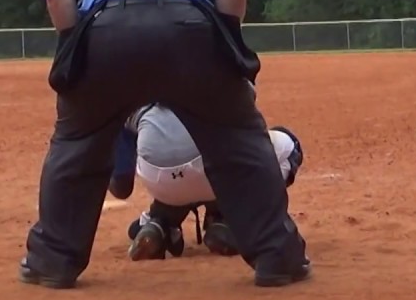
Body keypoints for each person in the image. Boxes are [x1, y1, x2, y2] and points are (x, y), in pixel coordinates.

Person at [19, 0, 310, 290]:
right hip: (190, 31)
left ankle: (53, 259)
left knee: (76, 143)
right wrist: (226, 45)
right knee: (237, 139)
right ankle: (277, 256)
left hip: (104, 31)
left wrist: (78, 52)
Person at [107, 103, 304, 261]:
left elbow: (122, 186)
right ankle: (229, 220)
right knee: (288, 145)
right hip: (215, 171)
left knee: (173, 174)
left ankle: (160, 222)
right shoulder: (212, 68)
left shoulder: (132, 89)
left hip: (161, 184)